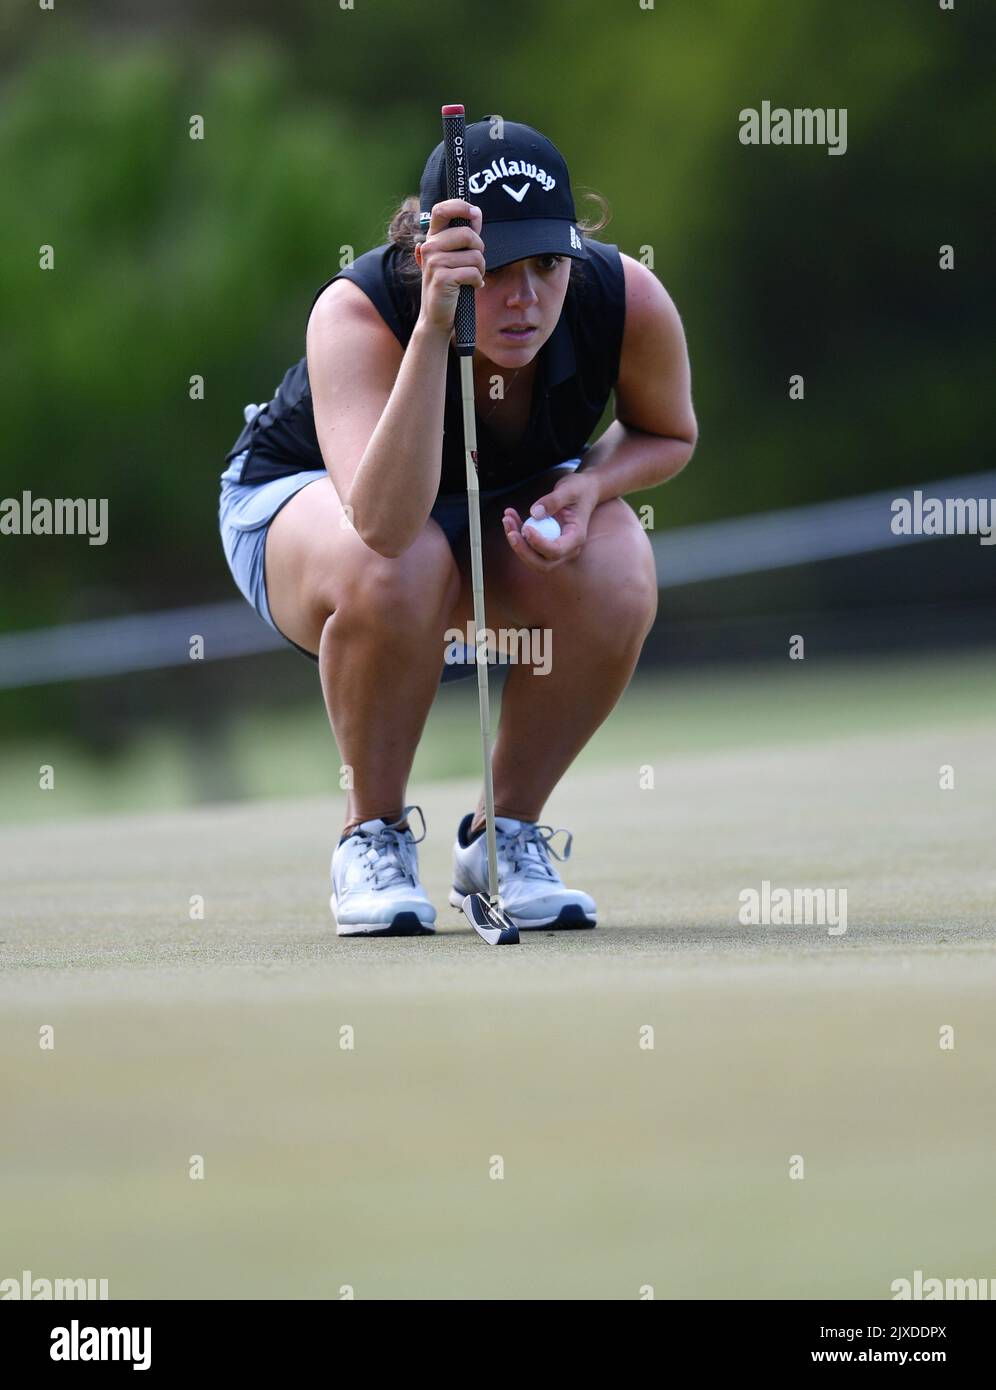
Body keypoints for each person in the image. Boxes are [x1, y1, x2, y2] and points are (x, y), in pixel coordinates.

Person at [218, 117, 697, 937]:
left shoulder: (623, 297)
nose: (525, 298)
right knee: (400, 566)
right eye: (496, 269)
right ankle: (369, 838)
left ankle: (503, 839)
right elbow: (381, 523)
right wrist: (436, 327)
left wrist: (591, 485)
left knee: (620, 565)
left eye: (546, 265)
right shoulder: (359, 310)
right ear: (428, 253)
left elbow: (668, 434)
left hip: (479, 512)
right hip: (308, 513)